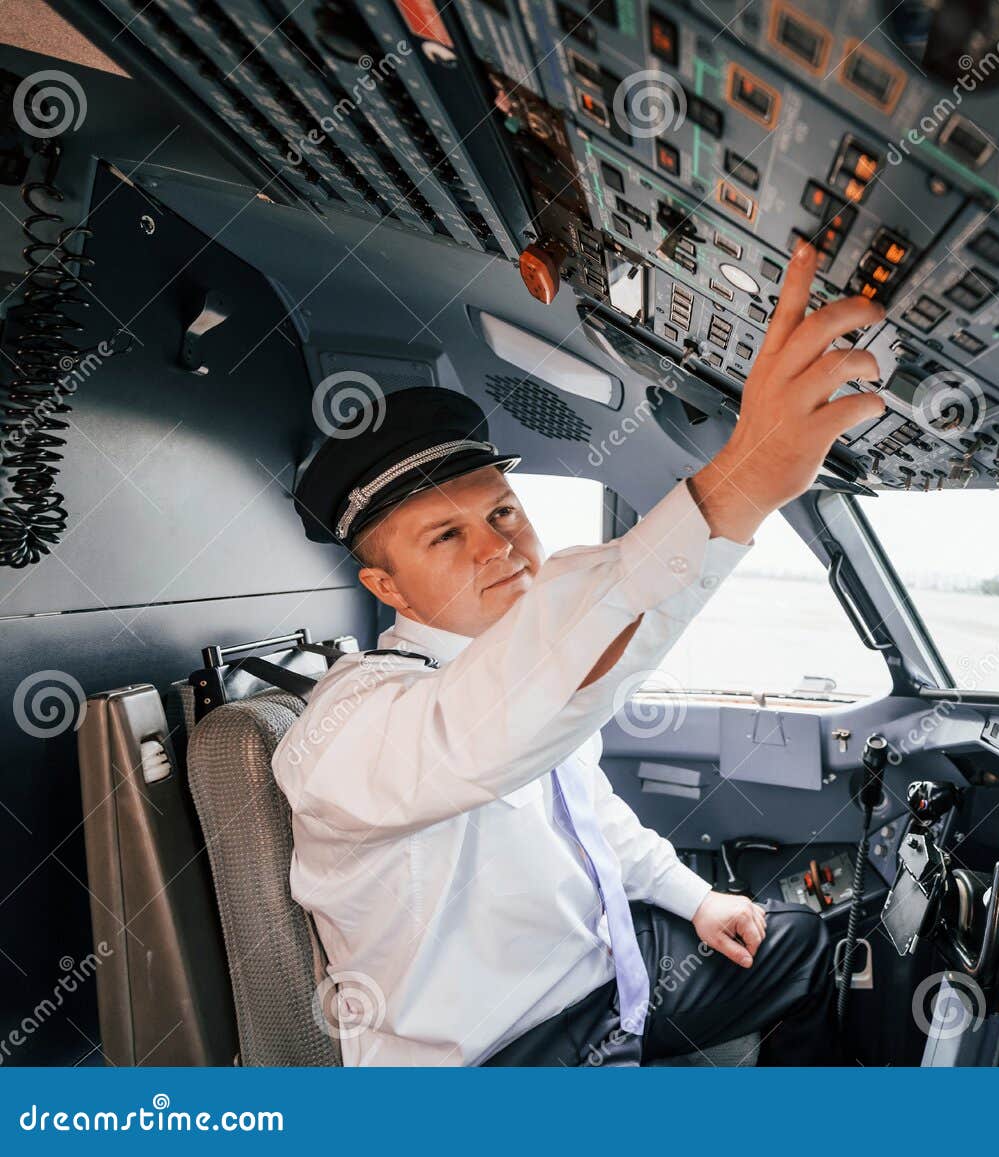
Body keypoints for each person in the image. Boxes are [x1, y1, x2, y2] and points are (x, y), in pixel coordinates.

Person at [274, 242, 887, 1065]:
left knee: (809, 943)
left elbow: (592, 820)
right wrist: (744, 479)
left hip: (613, 974)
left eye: (502, 514)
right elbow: (484, 723)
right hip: (501, 1056)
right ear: (387, 588)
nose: (498, 549)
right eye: (446, 536)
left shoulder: (528, 679)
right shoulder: (345, 729)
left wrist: (697, 896)